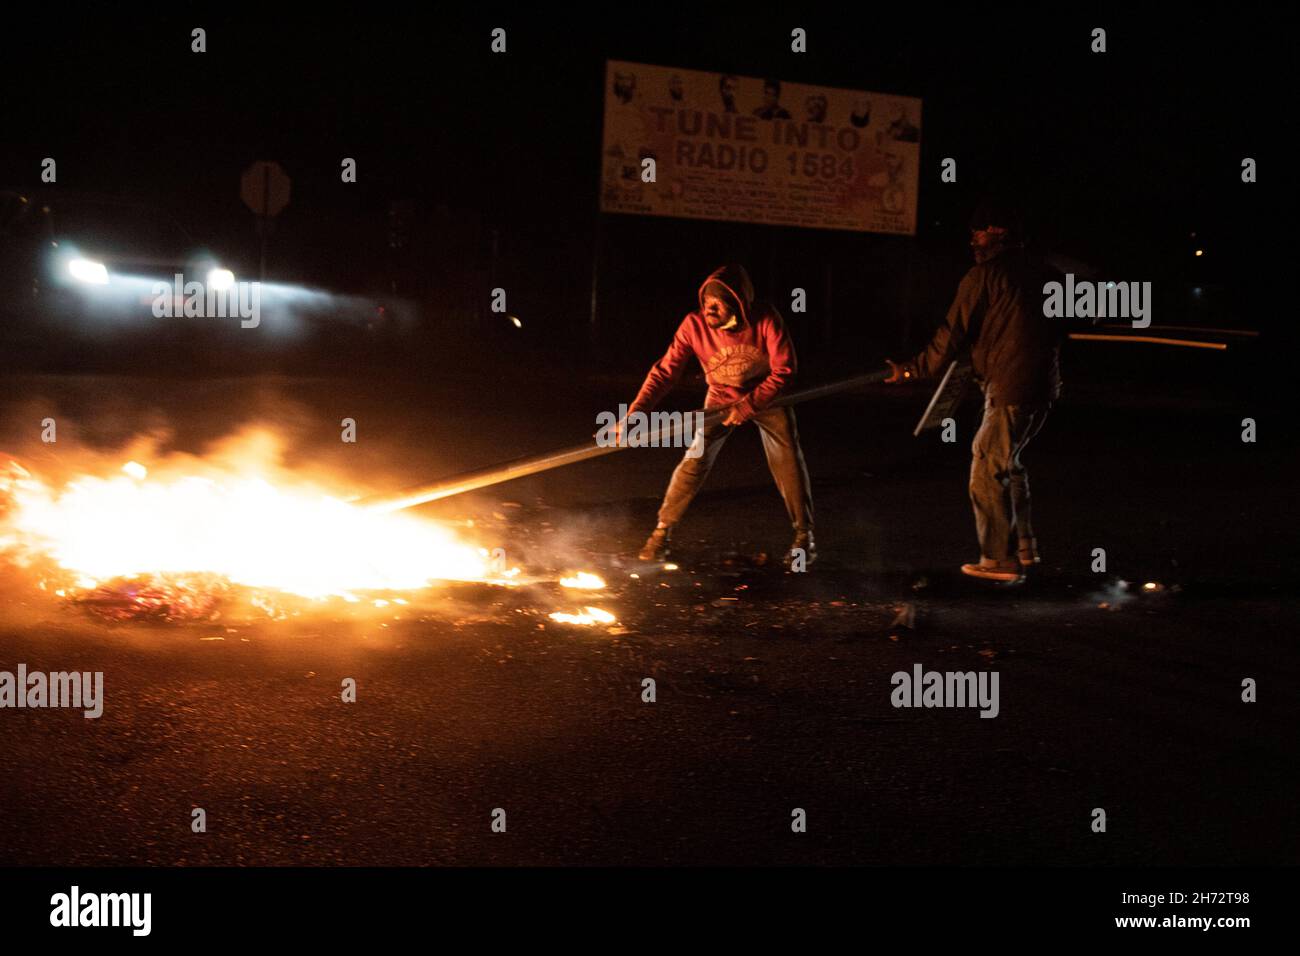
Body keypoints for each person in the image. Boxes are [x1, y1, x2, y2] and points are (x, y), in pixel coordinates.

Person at [886, 200, 1061, 581]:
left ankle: (998, 559)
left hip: (1010, 387)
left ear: (998, 233)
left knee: (986, 466)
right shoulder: (1047, 275)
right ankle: (1025, 549)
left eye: (978, 232)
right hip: (1042, 388)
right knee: (1009, 463)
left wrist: (913, 371)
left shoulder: (982, 277)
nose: (972, 239)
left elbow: (952, 332)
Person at [627, 264, 814, 567]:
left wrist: (749, 405)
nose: (708, 309)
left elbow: (785, 370)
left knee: (788, 458)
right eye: (706, 302)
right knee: (695, 459)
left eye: (717, 303)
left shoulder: (766, 318)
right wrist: (637, 412)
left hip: (767, 395)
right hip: (721, 396)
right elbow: (664, 372)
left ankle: (804, 537)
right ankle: (661, 532)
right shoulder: (694, 325)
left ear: (738, 303)